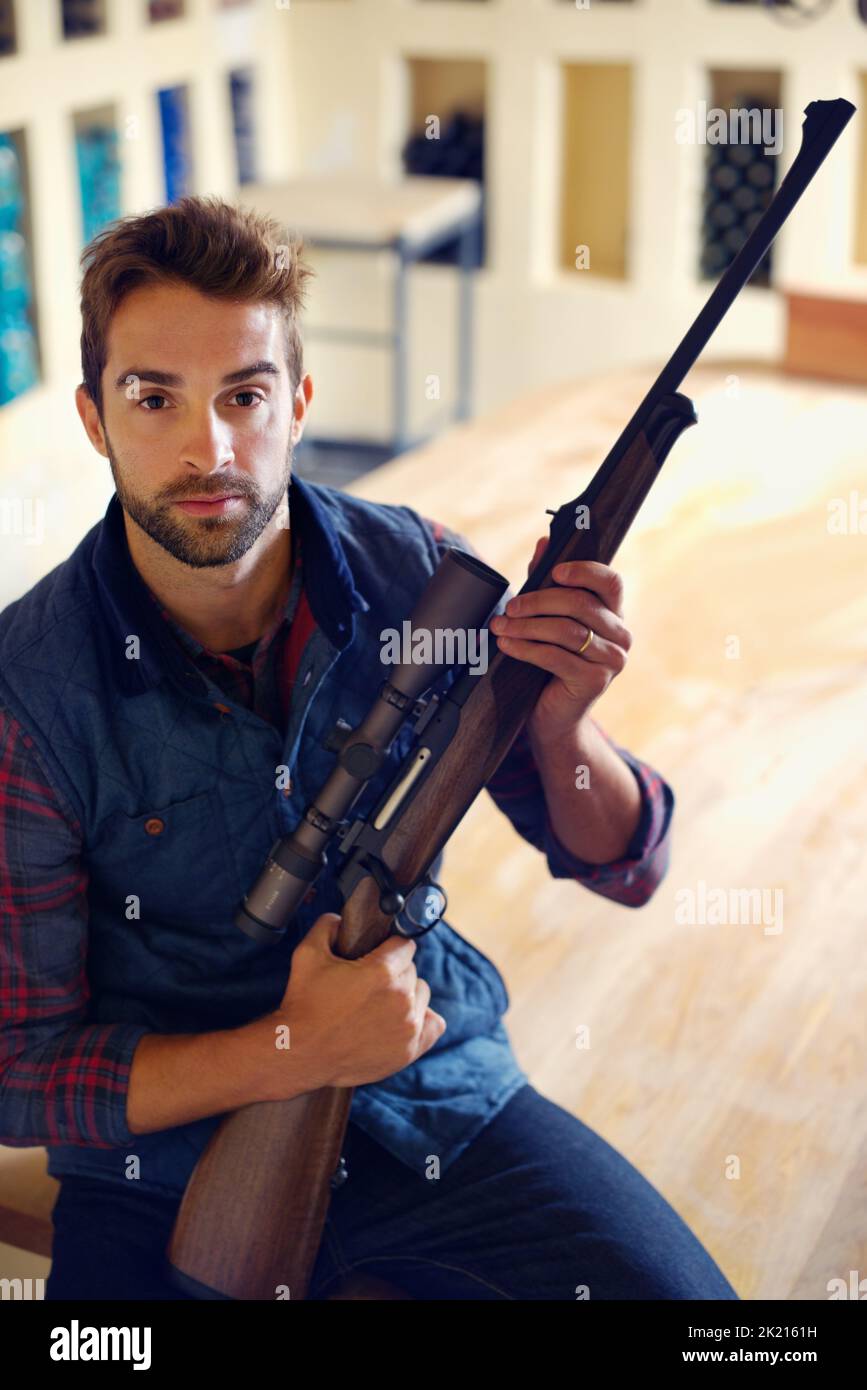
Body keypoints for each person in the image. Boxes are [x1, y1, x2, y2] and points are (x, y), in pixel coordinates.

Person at [0, 197, 737, 1301]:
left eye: (245, 395)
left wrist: (563, 721)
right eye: (155, 397)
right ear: (97, 419)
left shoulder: (430, 585)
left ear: (296, 402)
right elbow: (21, 1074)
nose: (209, 448)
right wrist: (294, 1049)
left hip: (428, 1088)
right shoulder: (26, 691)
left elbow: (625, 863)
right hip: (164, 1152)